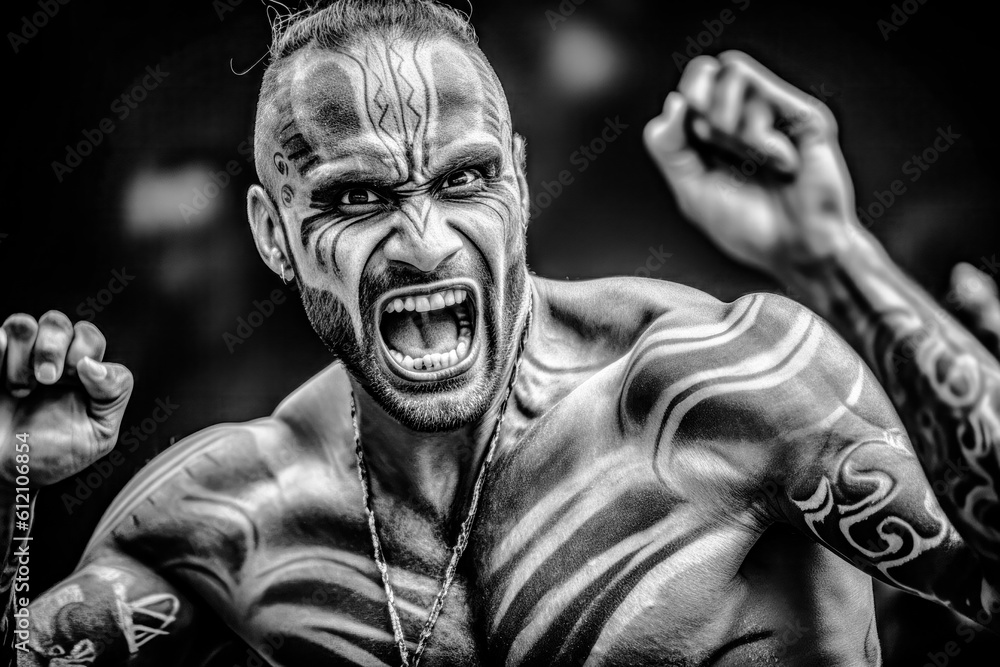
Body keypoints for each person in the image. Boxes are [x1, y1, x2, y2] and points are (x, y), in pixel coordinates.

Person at [1, 1, 996, 665]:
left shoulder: (722, 390)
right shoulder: (227, 519)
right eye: (357, 197)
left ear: (516, 181)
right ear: (274, 233)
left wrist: (833, 255)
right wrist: (3, 481)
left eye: (465, 178)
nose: (426, 239)